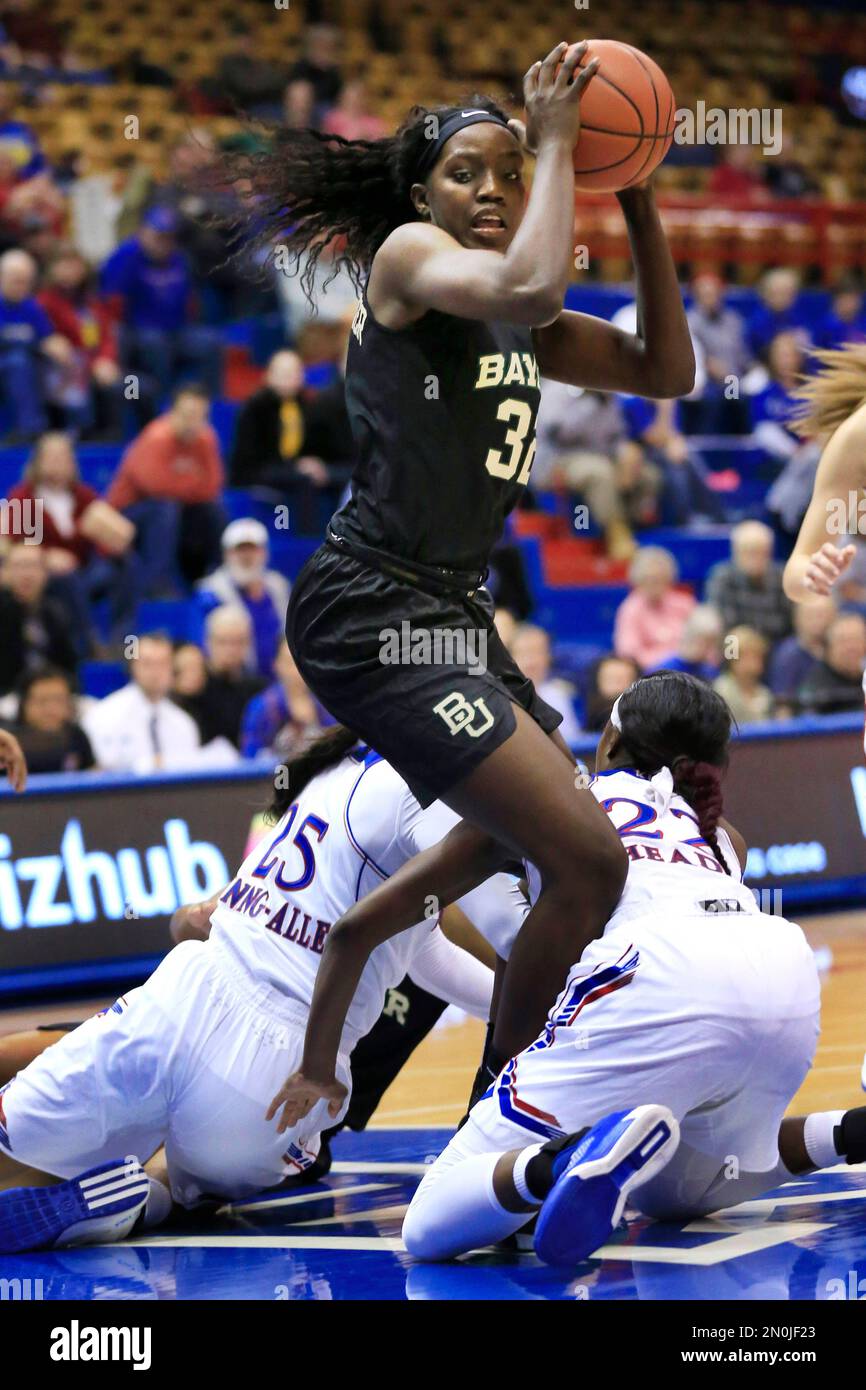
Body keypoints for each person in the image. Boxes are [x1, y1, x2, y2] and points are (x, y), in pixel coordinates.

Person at [233, 41, 695, 1069]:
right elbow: (532, 286)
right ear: (418, 194)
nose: (492, 189)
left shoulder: (517, 317)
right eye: (465, 173)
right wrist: (565, 143)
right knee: (585, 858)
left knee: (528, 841)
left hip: (450, 611)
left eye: (509, 172)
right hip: (369, 607)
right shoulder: (405, 259)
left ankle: (368, 939)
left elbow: (664, 369)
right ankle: (507, 1104)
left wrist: (634, 193)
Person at [269, 672, 863, 1267]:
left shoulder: (544, 803)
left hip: (655, 975)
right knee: (678, 1192)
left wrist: (324, 1068)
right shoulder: (723, 835)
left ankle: (560, 1159)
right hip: (784, 971)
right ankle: (846, 1133)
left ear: (609, 738)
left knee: (428, 1225)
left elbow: (364, 929)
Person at [0, 726, 528, 1253]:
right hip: (277, 1069)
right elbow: (510, 931)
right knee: (194, 1187)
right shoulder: (427, 794)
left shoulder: (329, 770)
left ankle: (78, 1176)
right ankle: (141, 1198)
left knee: (15, 1140)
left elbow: (422, 948)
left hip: (183, 995)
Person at [5, 431, 139, 655]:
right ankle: (89, 642)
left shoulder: (82, 496)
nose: (57, 464)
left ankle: (122, 638)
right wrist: (46, 557)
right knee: (66, 575)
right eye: (51, 457)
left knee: (126, 562)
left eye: (63, 458)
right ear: (37, 462)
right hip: (49, 577)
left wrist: (114, 539)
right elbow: (20, 547)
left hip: (85, 571)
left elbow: (117, 533)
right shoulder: (24, 497)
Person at [106, 384, 226, 595]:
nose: (193, 423)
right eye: (187, 415)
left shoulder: (207, 438)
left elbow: (213, 485)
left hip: (179, 510)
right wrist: (193, 484)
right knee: (165, 509)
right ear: (172, 413)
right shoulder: (156, 437)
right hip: (129, 514)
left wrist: (182, 485)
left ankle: (218, 576)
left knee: (212, 510)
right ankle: (156, 583)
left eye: (200, 416)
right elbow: (154, 485)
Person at [99, 206, 222, 409]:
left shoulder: (180, 259)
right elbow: (110, 305)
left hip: (177, 330)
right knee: (155, 343)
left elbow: (190, 301)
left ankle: (212, 404)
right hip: (138, 332)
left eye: (168, 237)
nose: (163, 242)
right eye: (158, 235)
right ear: (143, 232)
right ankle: (164, 405)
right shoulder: (125, 257)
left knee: (212, 342)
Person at [80, 632, 201, 773]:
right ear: (133, 665)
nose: (156, 672)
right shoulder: (103, 717)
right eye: (147, 663)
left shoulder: (183, 723)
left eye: (163, 663)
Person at [36, 244, 123, 438]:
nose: (70, 270)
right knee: (82, 383)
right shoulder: (43, 302)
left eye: (75, 264)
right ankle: (88, 437)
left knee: (135, 388)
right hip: (64, 371)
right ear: (52, 269)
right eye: (64, 264)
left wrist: (106, 359)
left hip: (99, 368)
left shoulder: (93, 302)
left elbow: (107, 335)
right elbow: (48, 338)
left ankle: (130, 437)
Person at [195, 518, 290, 680]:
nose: (246, 557)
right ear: (226, 554)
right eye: (240, 550)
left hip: (279, 681)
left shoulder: (279, 587)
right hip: (235, 681)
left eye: (252, 549)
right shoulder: (210, 592)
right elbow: (201, 644)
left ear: (264, 553)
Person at [0, 247, 71, 441]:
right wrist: (30, 343)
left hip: (29, 363)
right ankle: (30, 430)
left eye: (25, 282)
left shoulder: (31, 306)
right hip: (9, 363)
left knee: (68, 361)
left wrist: (58, 345)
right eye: (16, 281)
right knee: (18, 361)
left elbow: (47, 336)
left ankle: (74, 427)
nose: (21, 287)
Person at [174, 605, 267, 749]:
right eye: (223, 642)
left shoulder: (259, 689)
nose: (231, 650)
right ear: (208, 642)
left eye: (238, 642)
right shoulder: (194, 690)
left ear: (248, 643)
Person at [0, 543, 78, 695]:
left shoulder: (56, 613)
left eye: (33, 566)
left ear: (46, 574)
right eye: (18, 566)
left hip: (51, 696)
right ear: (5, 573)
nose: (26, 574)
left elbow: (69, 665)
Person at [240, 639, 335, 760]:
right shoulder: (262, 707)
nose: (296, 671)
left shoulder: (326, 703)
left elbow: (340, 745)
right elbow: (249, 756)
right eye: (290, 663)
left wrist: (313, 721)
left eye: (302, 662)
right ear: (276, 665)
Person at [705, 520, 793, 646]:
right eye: (748, 552)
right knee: (732, 645)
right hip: (736, 643)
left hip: (774, 645)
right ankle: (728, 666)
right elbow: (723, 622)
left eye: (761, 552)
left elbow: (790, 623)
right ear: (735, 552)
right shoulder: (722, 577)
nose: (755, 558)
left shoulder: (782, 577)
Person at [0, 664, 94, 773]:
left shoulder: (77, 736)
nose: (51, 710)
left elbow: (93, 773)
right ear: (24, 704)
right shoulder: (6, 743)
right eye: (42, 701)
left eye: (59, 700)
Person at [613, 547, 695, 672]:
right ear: (638, 581)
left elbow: (702, 640)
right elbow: (629, 655)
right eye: (649, 579)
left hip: (689, 669)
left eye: (660, 579)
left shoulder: (684, 604)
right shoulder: (630, 609)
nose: (655, 584)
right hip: (651, 676)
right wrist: (672, 659)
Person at [508, 624, 580, 746]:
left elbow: (574, 743)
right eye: (523, 653)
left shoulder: (559, 694)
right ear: (510, 658)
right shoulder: (502, 698)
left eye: (537, 652)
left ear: (549, 657)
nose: (531, 662)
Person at [767, 594, 836, 704]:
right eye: (810, 615)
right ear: (797, 619)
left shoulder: (838, 650)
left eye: (822, 615)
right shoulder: (788, 656)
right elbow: (781, 701)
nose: (817, 621)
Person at [796, 612, 866, 717]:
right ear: (829, 649)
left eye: (857, 640)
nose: (852, 648)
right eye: (844, 641)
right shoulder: (816, 688)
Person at [712, 624, 775, 725]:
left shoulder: (764, 694)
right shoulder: (722, 690)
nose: (754, 662)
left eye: (757, 656)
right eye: (746, 656)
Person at [651, 603, 723, 683]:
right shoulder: (662, 671)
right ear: (694, 638)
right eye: (708, 643)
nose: (711, 650)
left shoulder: (710, 672)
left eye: (713, 643)